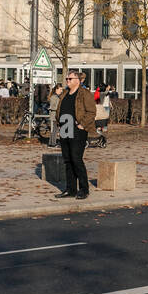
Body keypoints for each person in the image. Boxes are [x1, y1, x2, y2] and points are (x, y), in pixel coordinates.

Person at [55, 70, 95, 199]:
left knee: (76, 159)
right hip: (64, 128)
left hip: (77, 129)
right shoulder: (65, 93)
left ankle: (84, 189)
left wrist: (81, 125)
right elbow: (60, 108)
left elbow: (91, 112)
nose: (67, 81)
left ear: (77, 80)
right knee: (67, 160)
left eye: (70, 79)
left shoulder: (84, 94)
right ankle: (70, 189)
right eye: (66, 79)